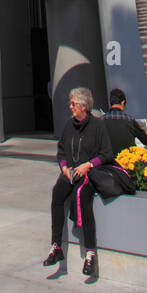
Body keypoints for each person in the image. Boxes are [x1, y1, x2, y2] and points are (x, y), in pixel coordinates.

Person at [43, 87, 113, 279]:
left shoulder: (98, 126)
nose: (70, 106)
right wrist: (64, 167)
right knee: (57, 194)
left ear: (83, 105)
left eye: (73, 103)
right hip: (71, 173)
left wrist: (88, 165)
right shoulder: (69, 125)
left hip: (89, 174)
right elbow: (62, 150)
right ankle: (56, 246)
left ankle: (90, 253)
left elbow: (106, 154)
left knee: (82, 197)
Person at [102, 87, 147, 154]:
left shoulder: (101, 120)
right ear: (123, 102)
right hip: (126, 161)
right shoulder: (129, 120)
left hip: (108, 161)